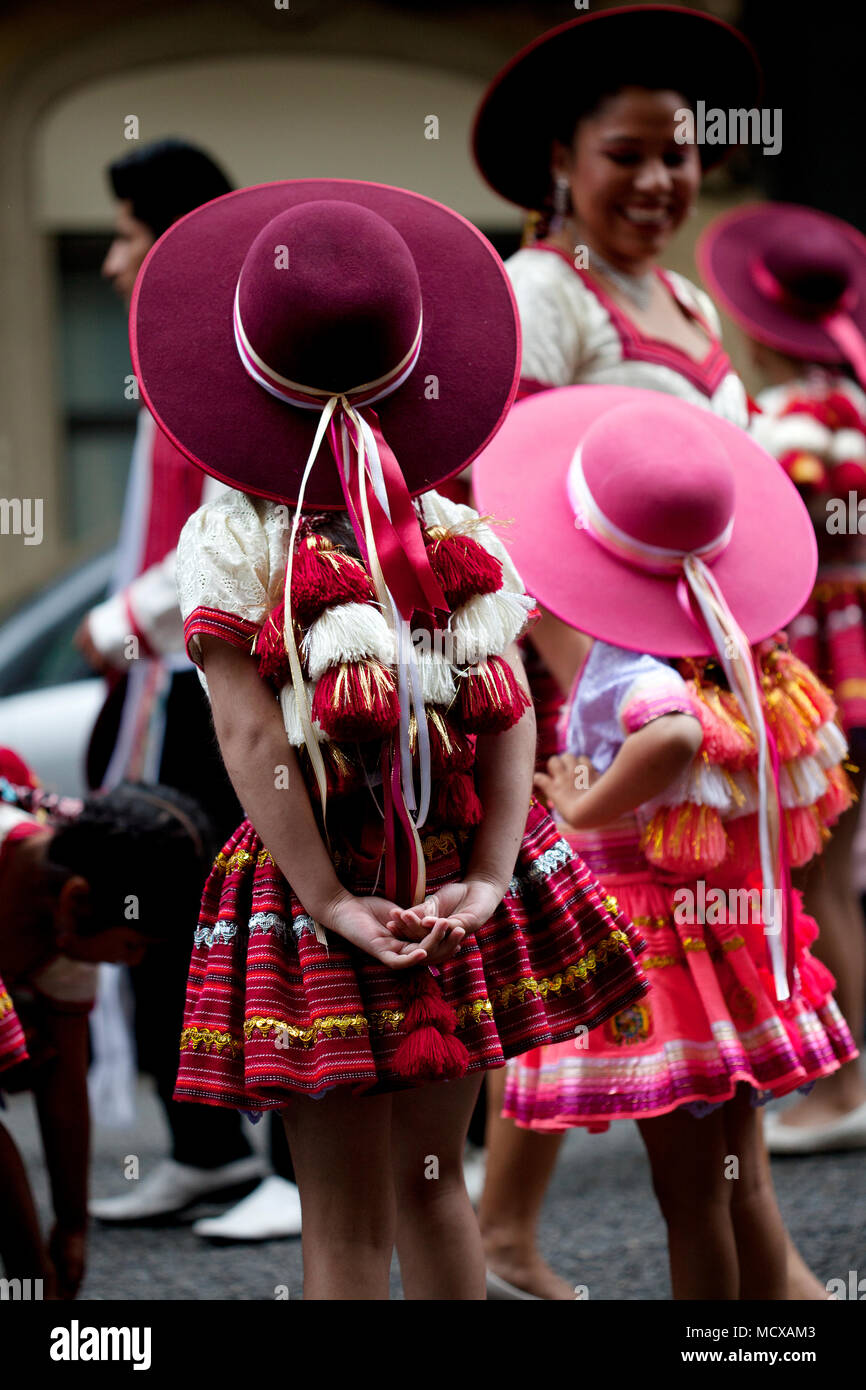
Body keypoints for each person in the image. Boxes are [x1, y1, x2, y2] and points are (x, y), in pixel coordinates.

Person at [130, 176, 650, 1299]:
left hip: (323, 892)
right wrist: (490, 873)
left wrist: (327, 900)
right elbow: (504, 702)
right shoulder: (452, 527)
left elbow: (244, 729)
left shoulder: (229, 537)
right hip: (454, 865)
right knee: (434, 1185)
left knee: (346, 1222)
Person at [470, 2, 764, 1299]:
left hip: (700, 672)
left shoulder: (692, 299)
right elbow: (506, 504)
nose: (656, 180)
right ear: (560, 163)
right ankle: (755, 1266)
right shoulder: (538, 292)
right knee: (611, 946)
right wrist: (594, 689)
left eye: (678, 154)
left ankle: (502, 1232)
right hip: (586, 681)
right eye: (624, 154)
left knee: (614, 950)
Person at [473, 385, 858, 1300]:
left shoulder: (629, 664)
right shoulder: (720, 644)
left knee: (690, 1201)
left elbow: (671, 735)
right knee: (740, 1184)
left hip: (661, 955)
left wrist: (584, 808)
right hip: (714, 937)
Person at [77, 139, 286, 1229]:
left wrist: (120, 621)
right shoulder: (172, 348)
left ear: (176, 233)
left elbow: (233, 523)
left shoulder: (229, 353)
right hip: (173, 679)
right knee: (168, 912)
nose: (113, 263)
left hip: (225, 675)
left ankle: (296, 1166)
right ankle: (204, 1142)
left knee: (270, 904)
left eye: (127, 232)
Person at [699, 201, 866, 1153]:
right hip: (859, 663)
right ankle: (845, 1082)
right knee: (836, 880)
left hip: (821, 670)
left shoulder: (801, 417)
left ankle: (840, 1089)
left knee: (814, 879)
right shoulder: (857, 401)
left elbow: (786, 524)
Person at [0, 753, 216, 1298]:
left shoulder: (70, 915)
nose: (135, 962)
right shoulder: (68, 900)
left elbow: (64, 1088)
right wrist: (35, 1279)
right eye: (135, 945)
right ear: (76, 904)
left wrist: (72, 1227)